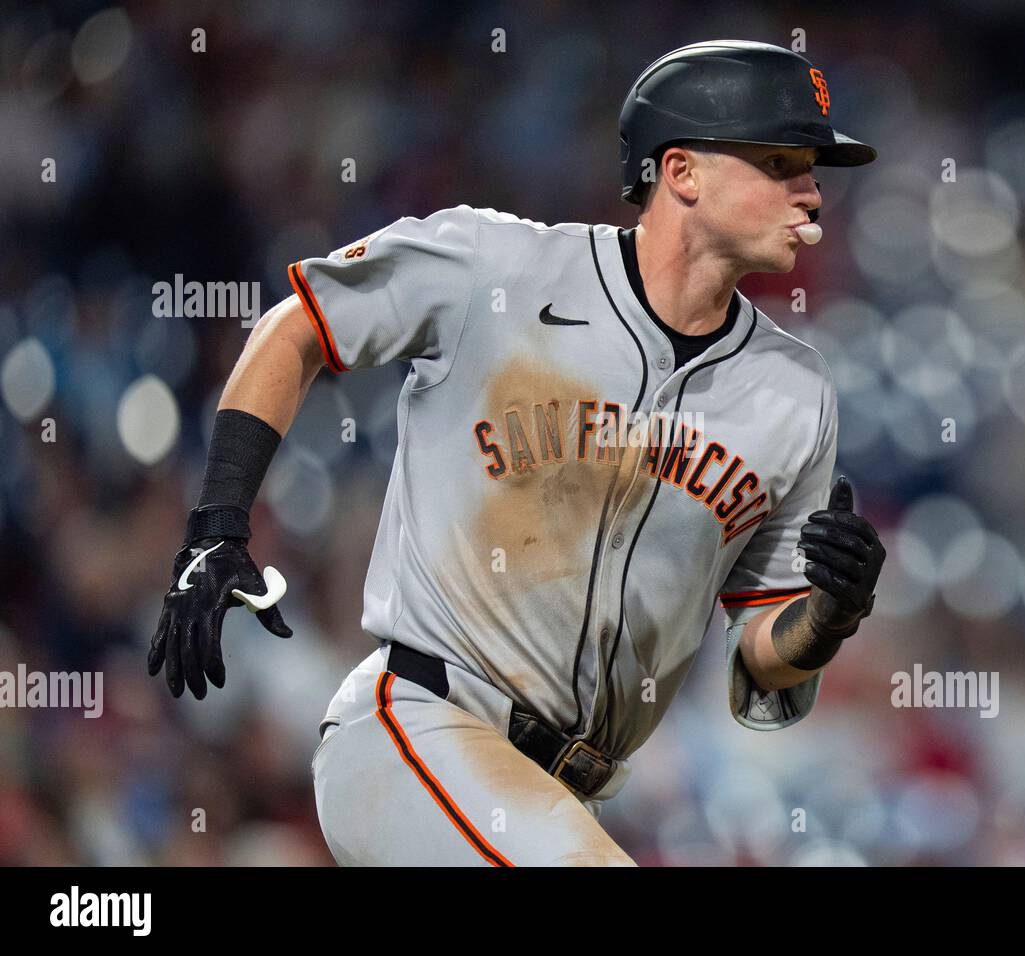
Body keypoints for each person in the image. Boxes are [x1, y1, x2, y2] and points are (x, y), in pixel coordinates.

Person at [148, 39, 886, 866]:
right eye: (782, 161)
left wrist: (827, 617)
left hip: (562, 795)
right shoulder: (495, 265)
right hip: (418, 727)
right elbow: (299, 327)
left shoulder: (794, 391)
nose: (813, 193)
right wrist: (218, 522)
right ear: (682, 172)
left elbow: (762, 657)